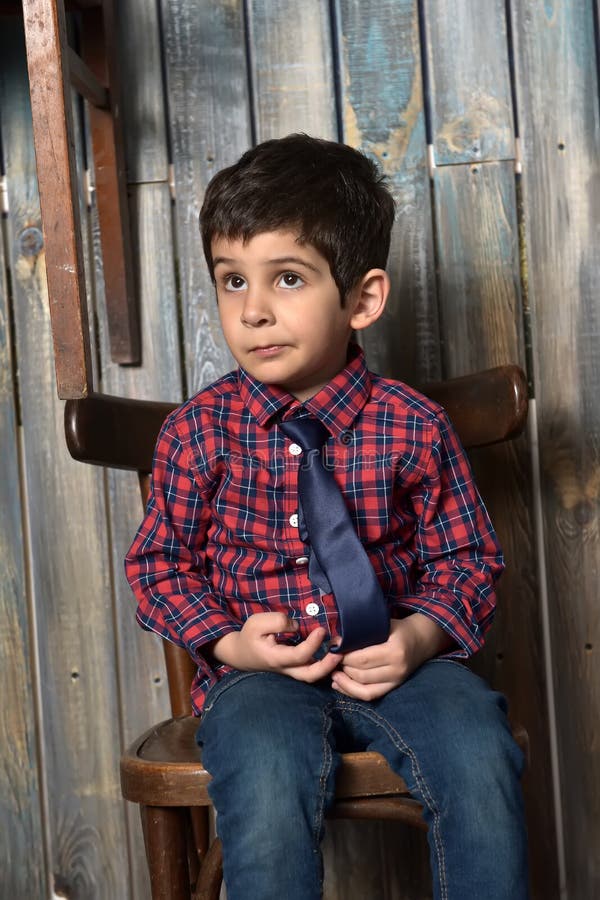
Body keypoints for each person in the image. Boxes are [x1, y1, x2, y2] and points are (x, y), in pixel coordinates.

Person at [125, 134, 528, 900]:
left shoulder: (413, 426)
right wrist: (229, 641)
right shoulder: (198, 432)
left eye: (286, 278)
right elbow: (157, 565)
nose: (254, 311)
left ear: (362, 299)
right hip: (262, 679)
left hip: (405, 669)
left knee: (478, 750)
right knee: (267, 768)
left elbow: (468, 559)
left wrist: (418, 636)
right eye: (231, 280)